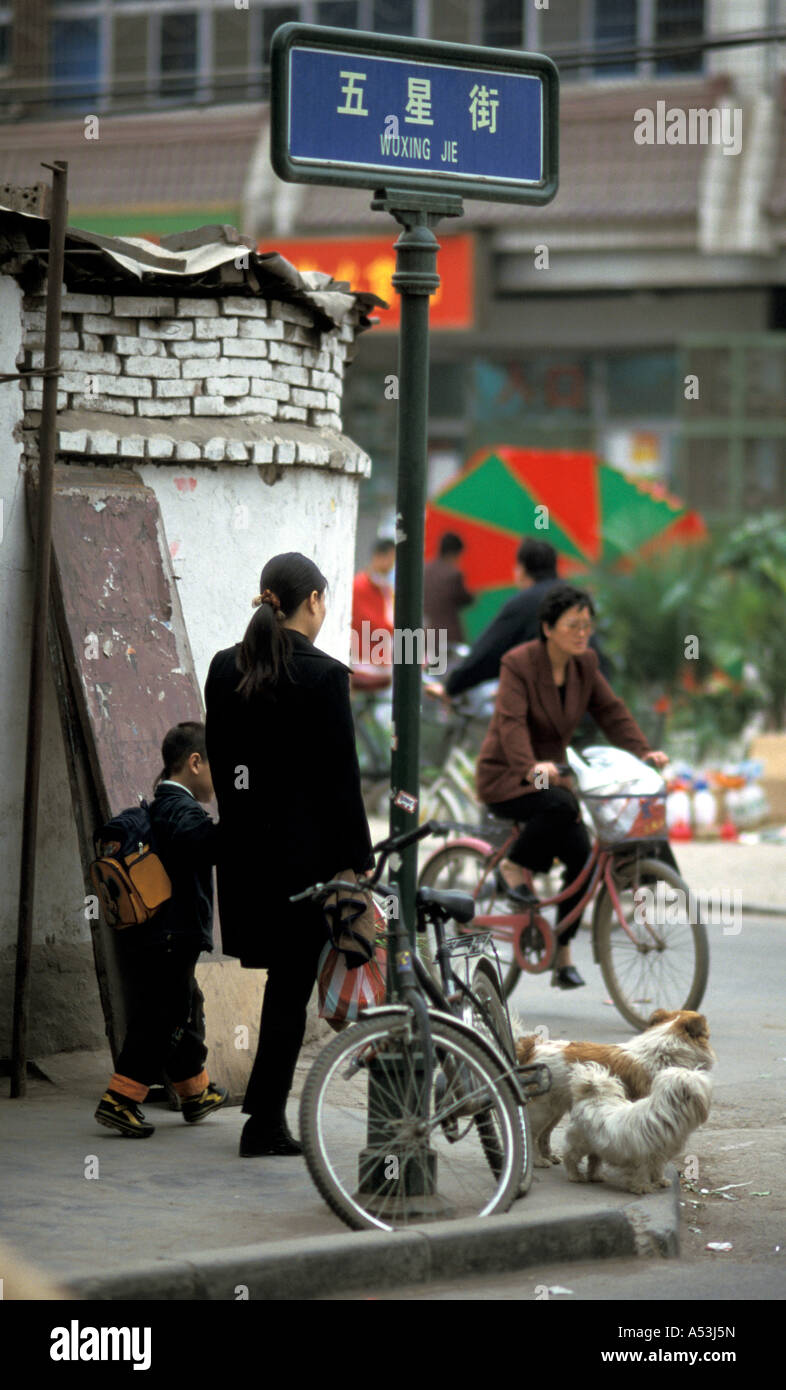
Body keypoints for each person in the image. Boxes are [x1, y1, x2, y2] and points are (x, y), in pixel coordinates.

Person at [204, 553, 373, 1157]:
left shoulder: (225, 668)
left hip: (247, 857)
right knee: (288, 988)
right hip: (305, 867)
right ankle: (264, 1124)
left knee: (283, 983)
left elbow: (228, 770)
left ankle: (263, 1115)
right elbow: (340, 780)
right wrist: (357, 859)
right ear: (315, 602)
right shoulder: (325, 676)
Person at [475, 584, 669, 990]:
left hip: (554, 775)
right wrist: (530, 768)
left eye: (587, 625)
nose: (582, 633)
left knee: (582, 856)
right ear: (548, 627)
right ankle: (512, 867)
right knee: (562, 805)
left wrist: (644, 754)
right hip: (508, 774)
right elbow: (510, 723)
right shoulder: (518, 663)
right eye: (572, 625)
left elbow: (612, 712)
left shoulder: (585, 665)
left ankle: (561, 951)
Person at [94, 722, 227, 1137]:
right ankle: (121, 1099)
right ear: (194, 762)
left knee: (186, 1005)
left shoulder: (162, 805)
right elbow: (206, 845)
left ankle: (194, 1092)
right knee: (163, 1015)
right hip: (174, 934)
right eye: (214, 766)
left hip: (160, 935)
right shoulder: (180, 809)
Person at [428, 538, 611, 700]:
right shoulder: (576, 597)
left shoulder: (525, 603)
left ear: (522, 570)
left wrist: (450, 687)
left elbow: (489, 651)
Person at [423, 531, 474, 645]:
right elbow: (464, 599)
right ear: (454, 553)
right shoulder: (454, 574)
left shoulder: (424, 570)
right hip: (448, 636)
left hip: (426, 634)